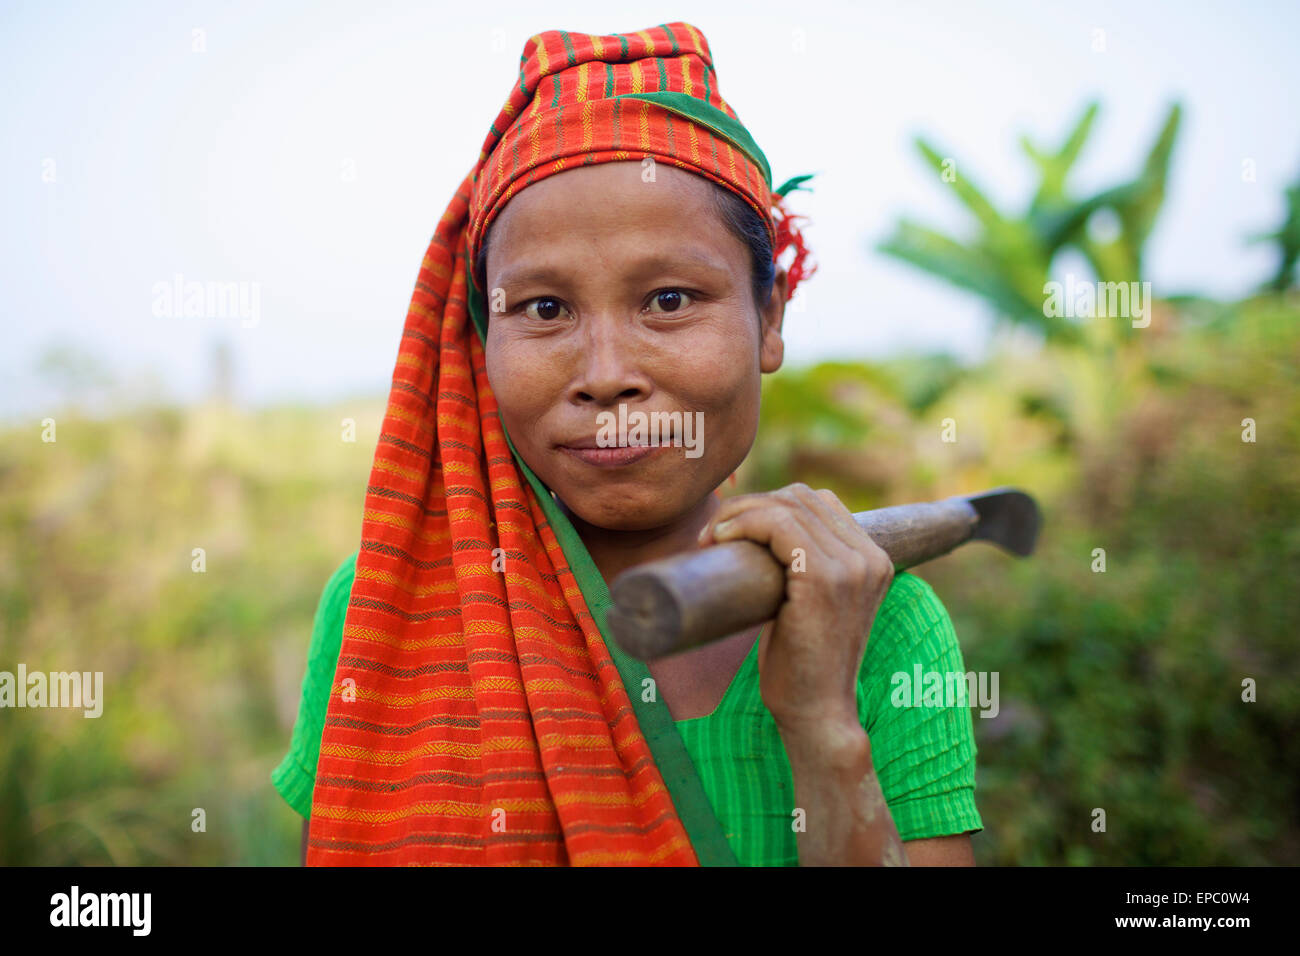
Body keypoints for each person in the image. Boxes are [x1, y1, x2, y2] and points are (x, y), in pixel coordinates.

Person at [272, 21, 982, 866]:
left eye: (671, 300)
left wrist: (822, 725)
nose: (605, 374)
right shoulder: (383, 608)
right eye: (544, 310)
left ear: (770, 316)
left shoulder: (880, 619)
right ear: (479, 340)